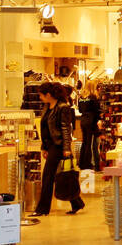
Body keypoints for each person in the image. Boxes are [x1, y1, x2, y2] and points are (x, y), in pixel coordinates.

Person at [34, 83, 84, 217]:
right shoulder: (46, 107)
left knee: (48, 176)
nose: (40, 97)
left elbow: (66, 129)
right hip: (50, 146)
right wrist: (44, 147)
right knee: (63, 176)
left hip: (59, 146)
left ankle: (42, 209)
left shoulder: (63, 107)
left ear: (48, 95)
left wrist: (66, 148)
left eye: (41, 95)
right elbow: (44, 129)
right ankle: (76, 202)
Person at [77, 79, 102, 171]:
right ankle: (88, 163)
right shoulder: (93, 97)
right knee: (90, 144)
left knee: (85, 142)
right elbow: (97, 111)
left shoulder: (81, 98)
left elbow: (80, 110)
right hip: (91, 121)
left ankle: (82, 163)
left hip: (83, 121)